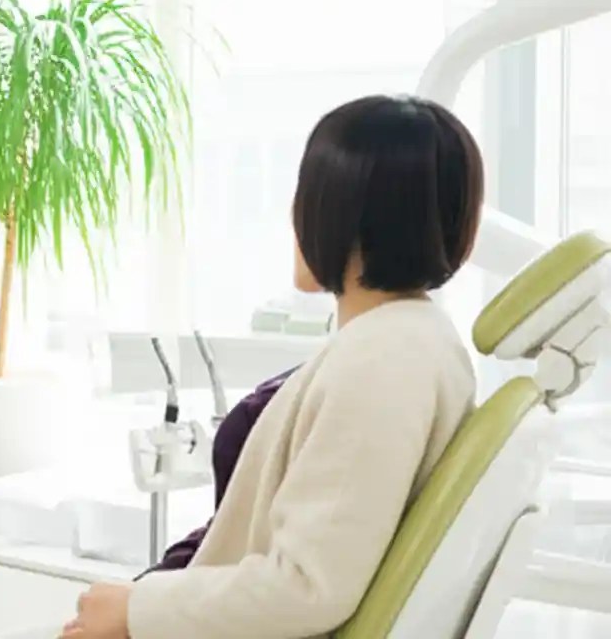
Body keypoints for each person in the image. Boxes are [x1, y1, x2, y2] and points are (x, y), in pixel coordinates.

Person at [59, 94, 485, 639]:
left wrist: (136, 609)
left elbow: (307, 587)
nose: (293, 214)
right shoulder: (410, 342)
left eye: (306, 193)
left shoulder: (383, 362)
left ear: (340, 214)